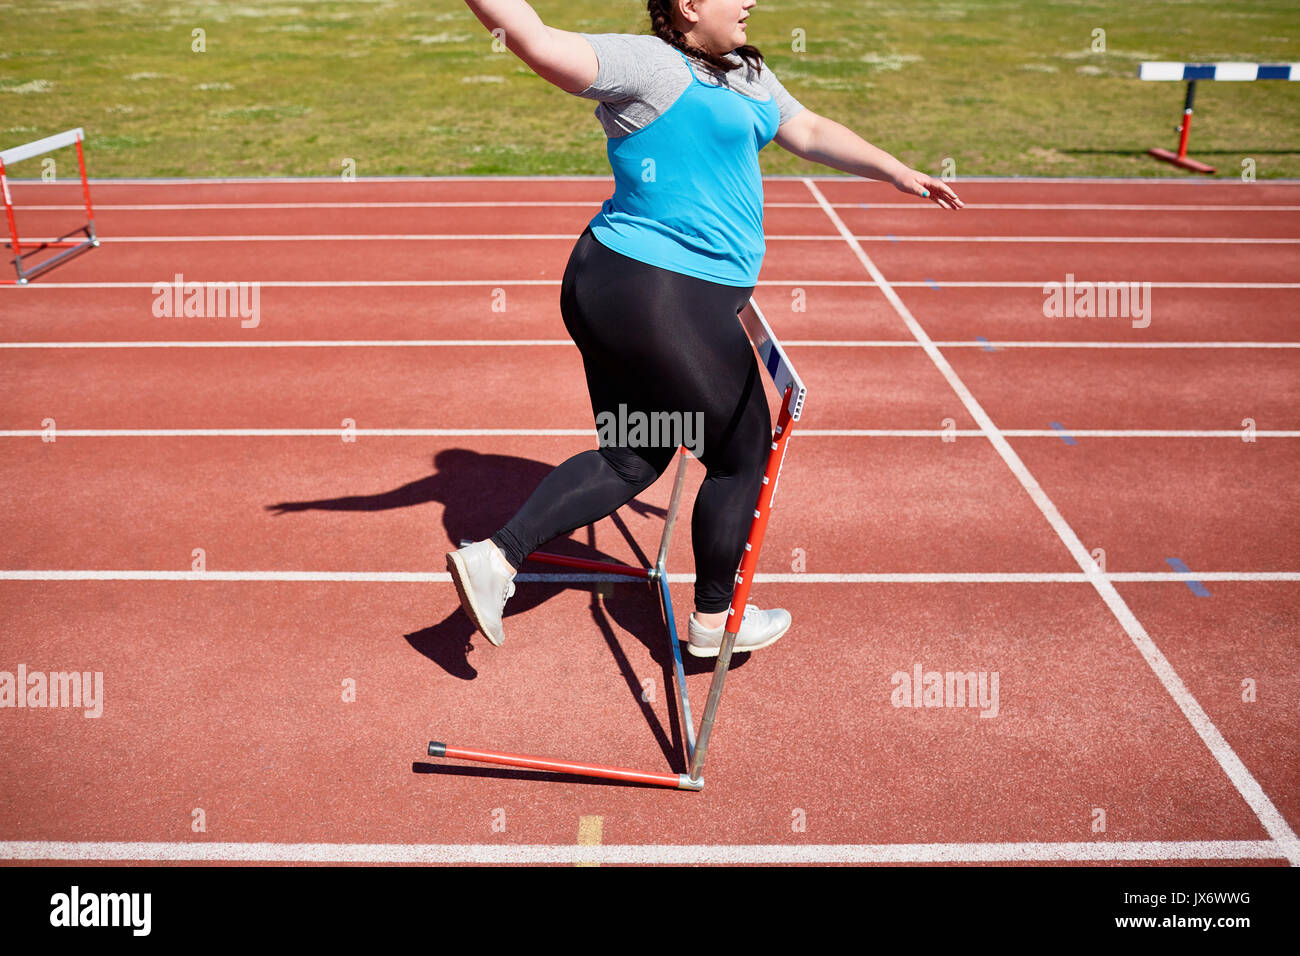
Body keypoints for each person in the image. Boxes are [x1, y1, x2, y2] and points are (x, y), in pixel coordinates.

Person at [449, 0, 963, 657]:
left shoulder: (747, 71)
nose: (750, 1)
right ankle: (716, 624)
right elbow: (534, 39)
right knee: (740, 453)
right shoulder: (651, 67)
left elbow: (805, 129)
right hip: (655, 292)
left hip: (626, 289)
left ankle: (496, 559)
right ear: (689, 5)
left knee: (633, 453)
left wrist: (896, 171)